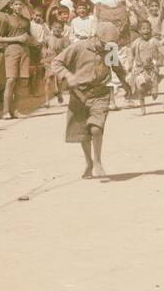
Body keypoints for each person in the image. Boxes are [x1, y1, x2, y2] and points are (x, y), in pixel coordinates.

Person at [52, 28, 130, 179]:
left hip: (100, 93)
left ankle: (98, 161)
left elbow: (117, 67)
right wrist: (68, 76)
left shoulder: (109, 49)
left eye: (110, 45)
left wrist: (125, 83)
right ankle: (89, 162)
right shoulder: (79, 47)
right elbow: (56, 63)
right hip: (79, 94)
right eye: (104, 43)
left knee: (96, 128)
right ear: (95, 37)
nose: (107, 47)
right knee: (83, 133)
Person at [0, 0, 33, 120]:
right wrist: (17, 39)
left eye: (21, 4)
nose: (19, 7)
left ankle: (16, 110)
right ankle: (6, 111)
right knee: (11, 80)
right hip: (11, 50)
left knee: (22, 81)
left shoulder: (26, 21)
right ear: (11, 6)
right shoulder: (7, 19)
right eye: (16, 4)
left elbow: (29, 36)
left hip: (24, 50)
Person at [125, 20, 162, 112]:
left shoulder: (154, 41)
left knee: (154, 90)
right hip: (140, 69)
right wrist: (130, 64)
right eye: (143, 29)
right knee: (140, 89)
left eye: (148, 29)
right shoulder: (136, 43)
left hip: (152, 68)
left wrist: (159, 61)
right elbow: (131, 54)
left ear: (151, 30)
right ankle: (142, 106)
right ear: (139, 31)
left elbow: (162, 53)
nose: (146, 31)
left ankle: (154, 88)